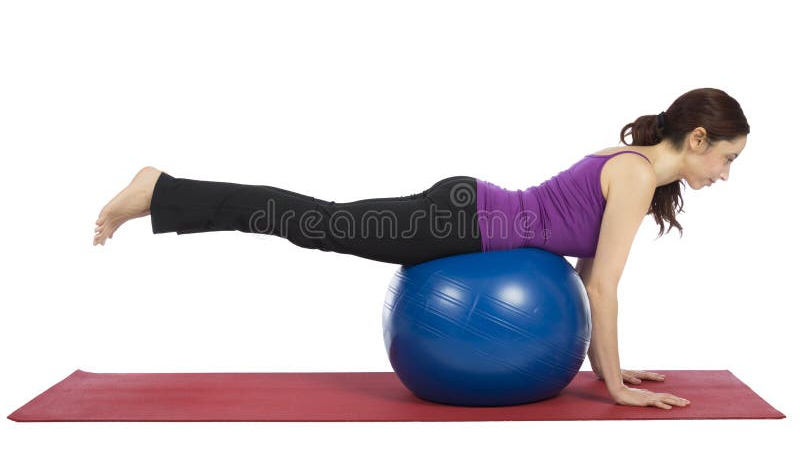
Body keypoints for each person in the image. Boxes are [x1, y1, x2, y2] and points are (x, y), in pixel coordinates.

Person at [92, 87, 749, 410]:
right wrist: (615, 388)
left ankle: (165, 192)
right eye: (725, 158)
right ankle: (162, 190)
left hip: (468, 214)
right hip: (461, 224)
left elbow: (585, 272)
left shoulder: (634, 165)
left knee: (317, 221)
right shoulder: (636, 174)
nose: (724, 174)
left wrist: (614, 367)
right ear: (697, 139)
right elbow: (601, 286)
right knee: (315, 221)